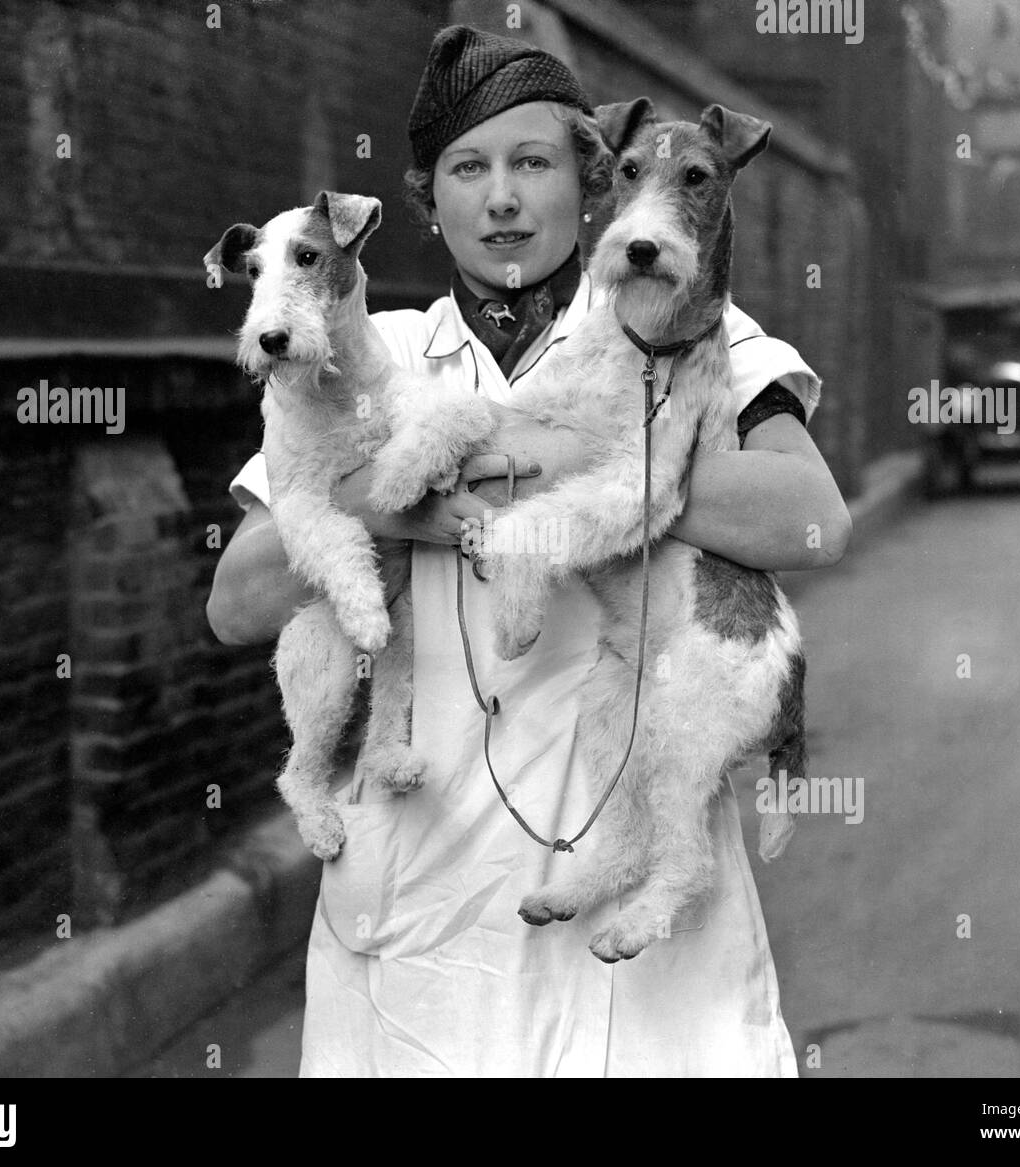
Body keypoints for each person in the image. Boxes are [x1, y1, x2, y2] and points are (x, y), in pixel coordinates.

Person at [208, 25, 851, 1077]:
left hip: (643, 956)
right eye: (469, 168)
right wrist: (386, 502)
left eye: (534, 163)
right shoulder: (374, 361)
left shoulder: (688, 321)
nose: (502, 198)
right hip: (423, 917)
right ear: (426, 200)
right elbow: (235, 601)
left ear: (592, 182)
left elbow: (812, 517)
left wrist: (559, 462)